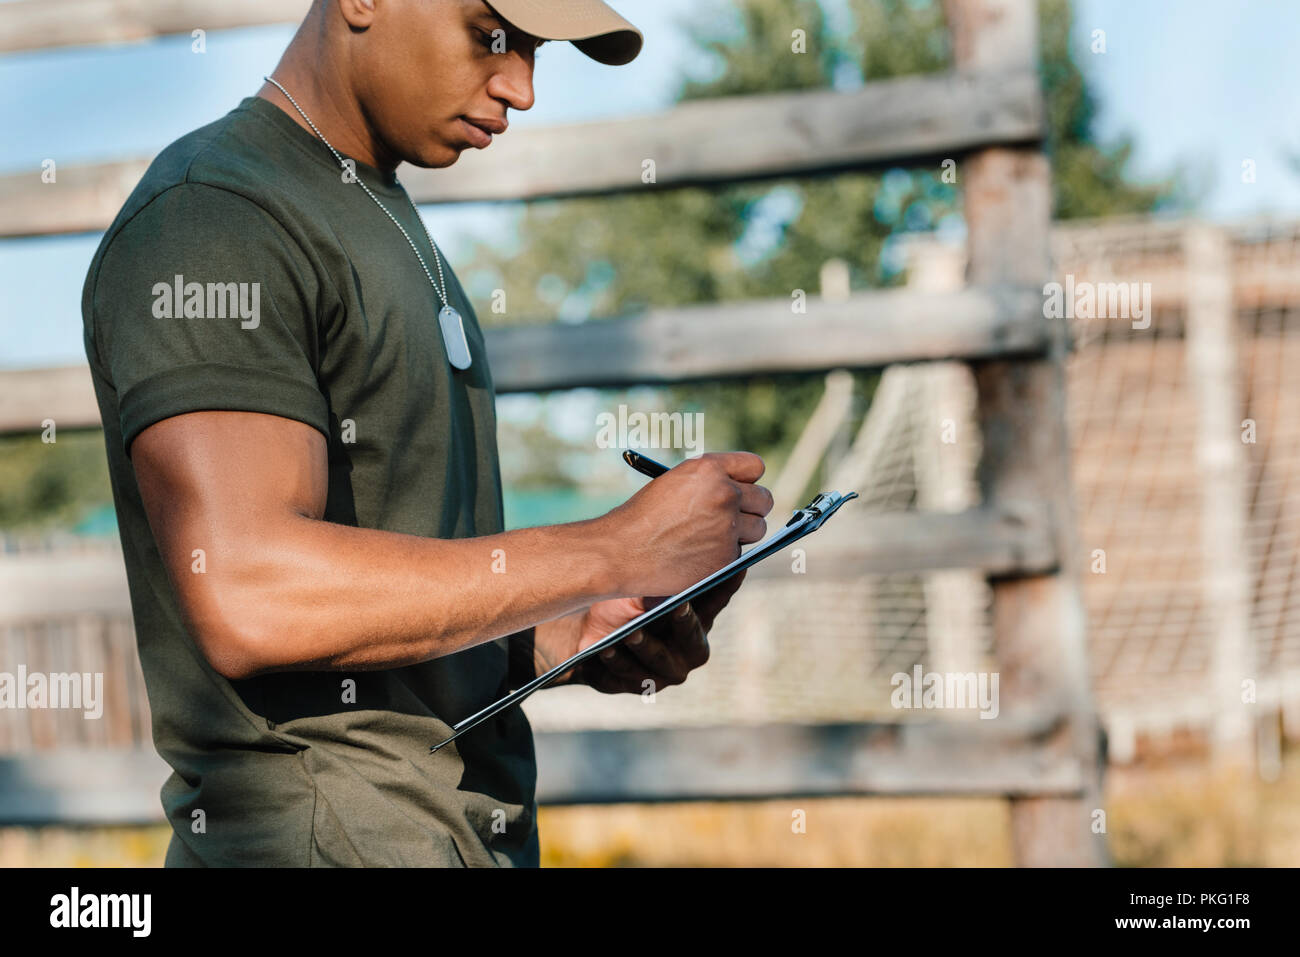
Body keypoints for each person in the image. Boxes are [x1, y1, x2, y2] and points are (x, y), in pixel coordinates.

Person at [80, 0, 773, 867]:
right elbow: (250, 590)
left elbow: (395, 594)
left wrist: (561, 634)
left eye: (535, 51)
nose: (520, 84)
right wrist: (615, 547)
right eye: (493, 33)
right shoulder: (216, 217)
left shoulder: (377, 214)